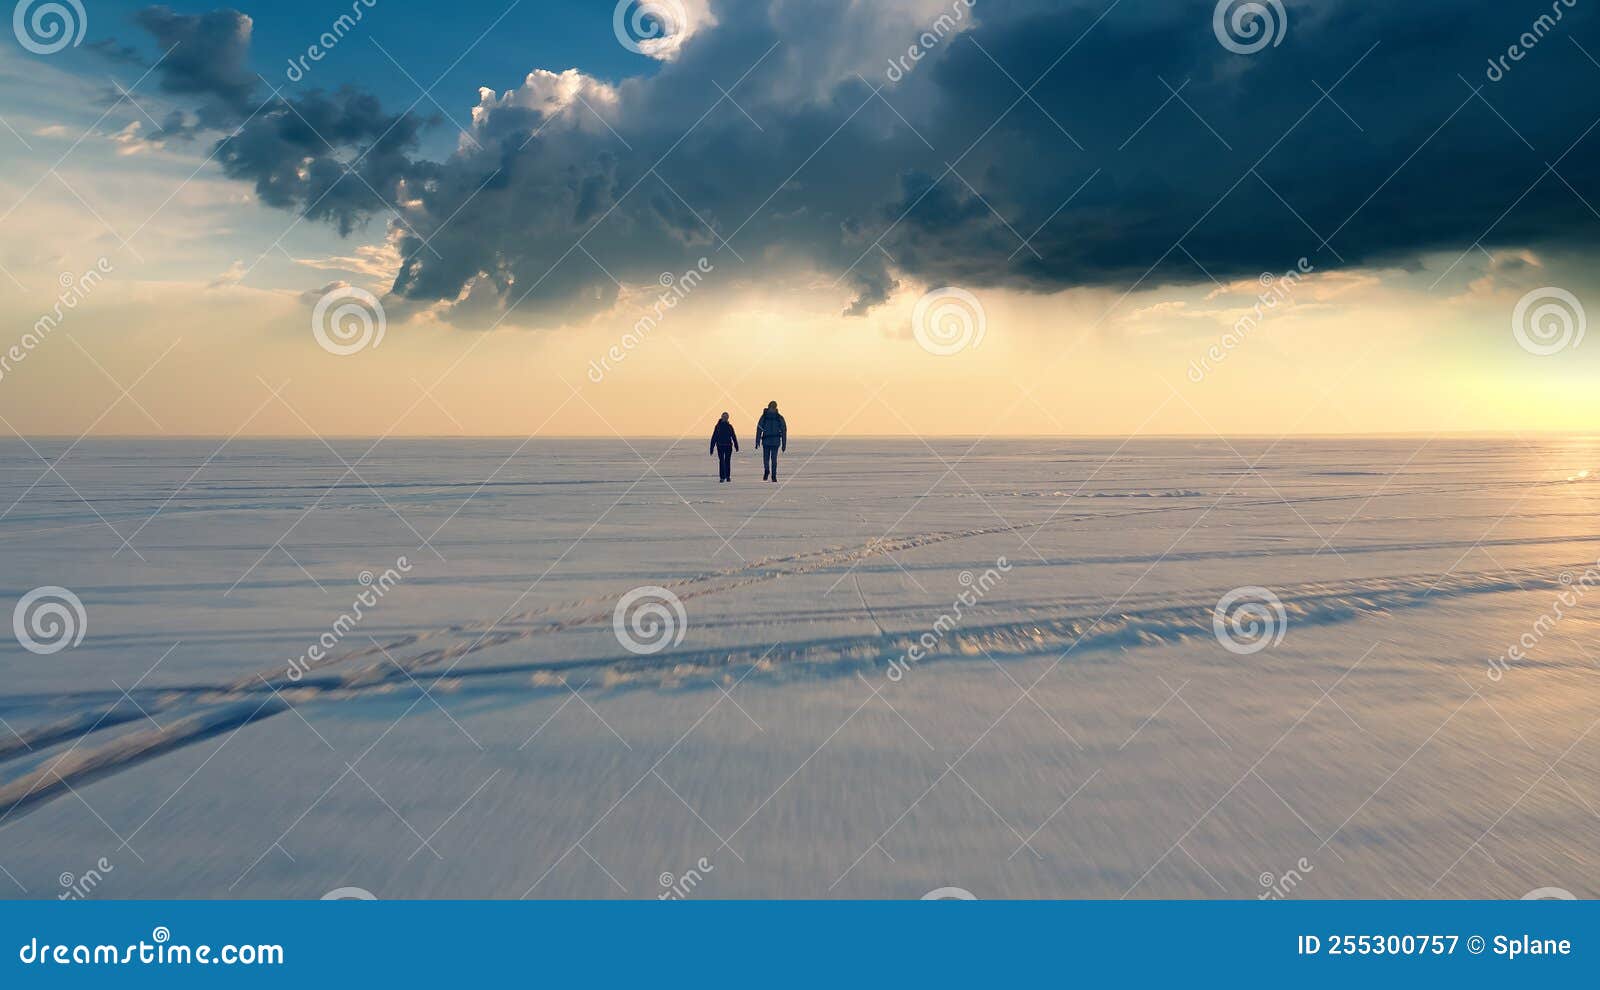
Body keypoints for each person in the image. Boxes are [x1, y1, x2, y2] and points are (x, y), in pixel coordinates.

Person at [754, 401, 787, 482]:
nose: (772, 408)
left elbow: (783, 431)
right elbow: (759, 428)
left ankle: (773, 475)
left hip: (775, 442)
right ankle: (767, 470)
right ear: (768, 407)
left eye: (773, 407)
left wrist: (784, 444)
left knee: (774, 460)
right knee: (766, 459)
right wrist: (757, 441)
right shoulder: (764, 417)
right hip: (766, 441)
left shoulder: (779, 418)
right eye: (771, 407)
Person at [709, 411, 739, 482]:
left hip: (728, 446)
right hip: (720, 446)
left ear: (728, 418)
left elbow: (733, 436)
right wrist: (711, 448)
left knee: (727, 461)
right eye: (724, 417)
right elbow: (714, 437)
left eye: (726, 417)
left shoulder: (730, 426)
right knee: (721, 461)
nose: (725, 418)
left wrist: (736, 445)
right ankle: (722, 477)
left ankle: (728, 476)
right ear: (721, 417)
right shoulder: (718, 426)